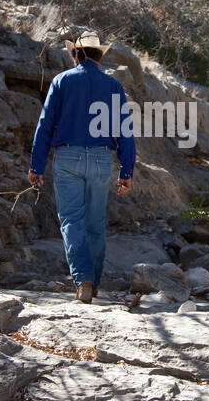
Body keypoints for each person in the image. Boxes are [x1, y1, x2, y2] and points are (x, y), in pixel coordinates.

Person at [28, 33, 136, 303]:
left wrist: (36, 164)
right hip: (101, 159)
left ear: (75, 55)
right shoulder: (113, 86)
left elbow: (45, 125)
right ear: (100, 57)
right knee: (96, 225)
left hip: (67, 158)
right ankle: (93, 283)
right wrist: (126, 171)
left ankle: (83, 280)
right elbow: (124, 131)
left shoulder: (62, 81)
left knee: (72, 221)